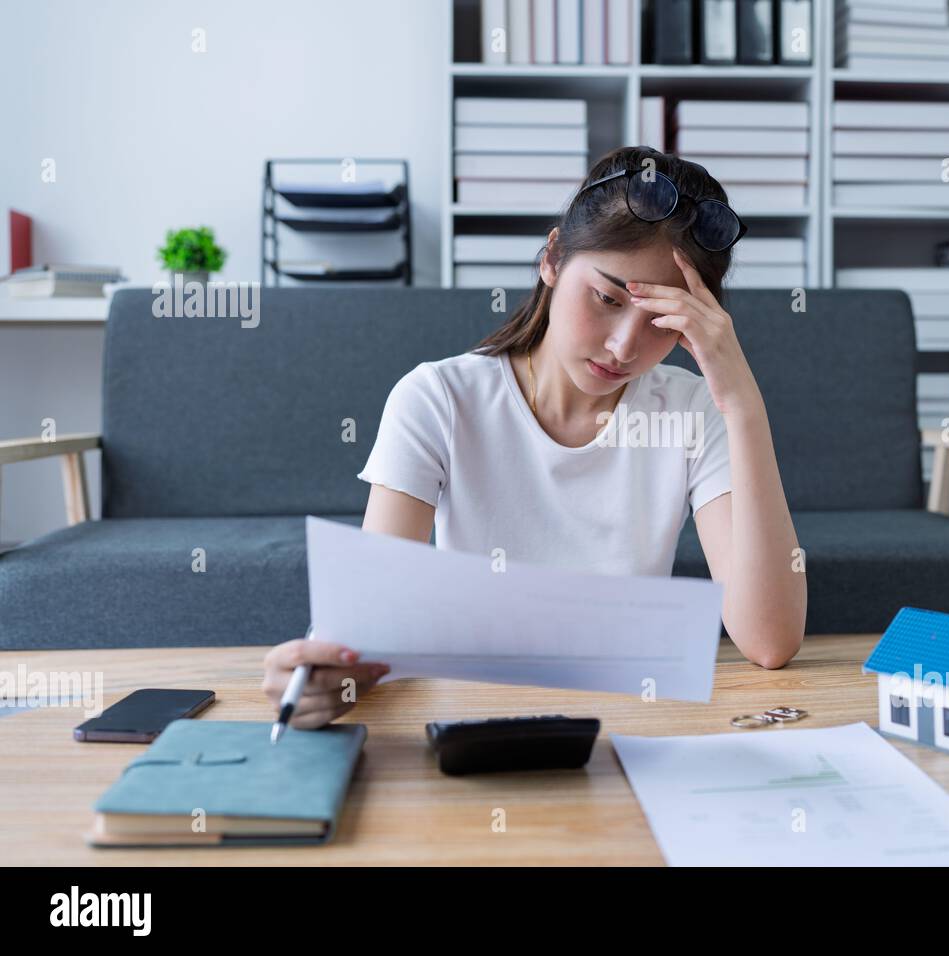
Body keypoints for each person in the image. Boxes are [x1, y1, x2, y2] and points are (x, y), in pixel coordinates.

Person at [262, 145, 807, 728]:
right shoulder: (439, 399)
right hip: (471, 717)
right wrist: (324, 677)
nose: (624, 347)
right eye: (607, 298)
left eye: (660, 321)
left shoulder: (691, 410)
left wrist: (742, 404)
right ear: (552, 258)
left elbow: (768, 642)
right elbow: (368, 621)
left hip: (627, 722)